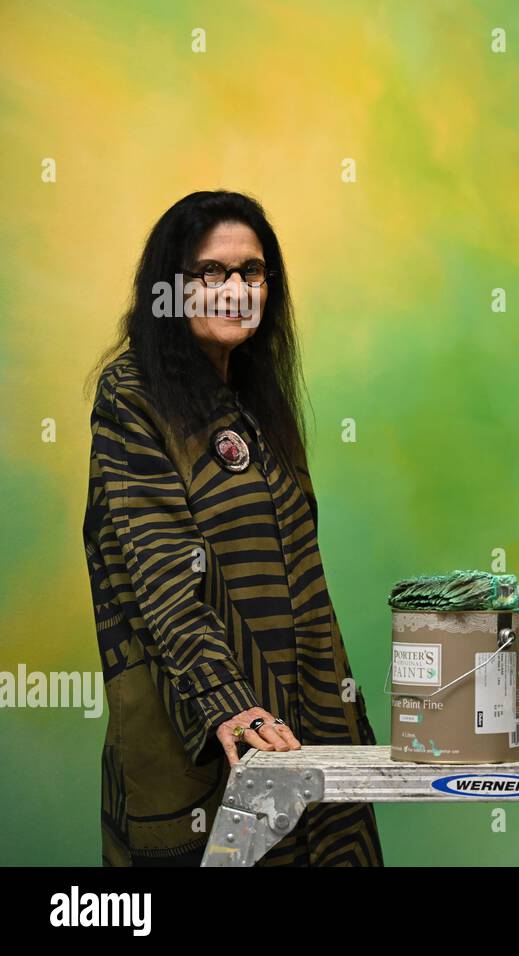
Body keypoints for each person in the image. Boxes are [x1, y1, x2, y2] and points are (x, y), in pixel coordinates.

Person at [83, 190, 383, 866]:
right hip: (208, 736)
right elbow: (158, 580)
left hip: (305, 733)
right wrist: (230, 706)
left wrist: (342, 725)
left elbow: (307, 587)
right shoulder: (132, 397)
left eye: (251, 272)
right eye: (211, 273)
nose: (235, 290)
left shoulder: (255, 400)